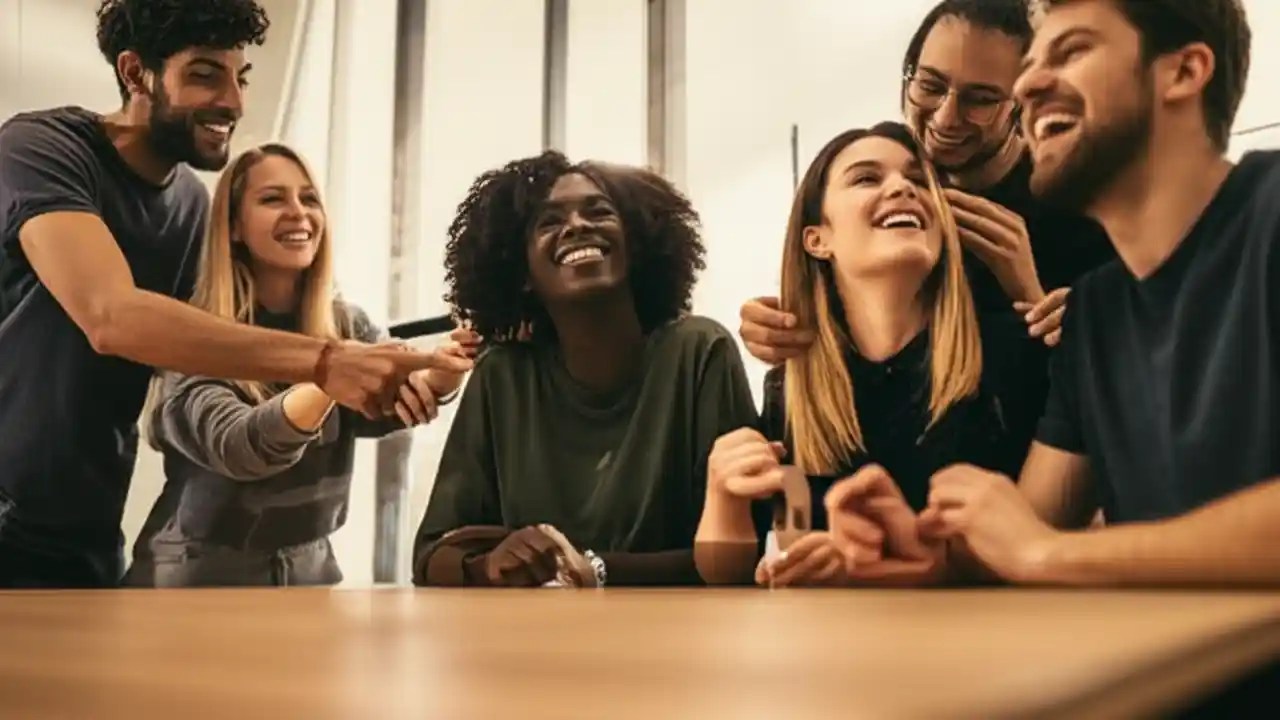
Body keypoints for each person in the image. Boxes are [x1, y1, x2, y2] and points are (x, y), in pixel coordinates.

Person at [0, 0, 468, 589]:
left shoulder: (192, 203)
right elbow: (110, 316)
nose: (233, 102)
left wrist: (427, 373)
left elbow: (200, 344)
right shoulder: (42, 148)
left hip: (87, 523)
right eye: (204, 74)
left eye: (239, 77)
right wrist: (326, 363)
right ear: (134, 72)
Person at [831, 0, 1280, 589]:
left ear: (1184, 72)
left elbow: (1036, 546)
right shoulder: (1095, 313)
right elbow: (1026, 527)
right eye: (1032, 64)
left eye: (1072, 53)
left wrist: (1047, 554)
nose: (1031, 84)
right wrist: (915, 547)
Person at [734, 0, 1118, 471]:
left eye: (980, 100)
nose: (944, 118)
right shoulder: (897, 182)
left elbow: (1121, 405)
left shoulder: (1087, 211)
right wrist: (788, 323)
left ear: (1022, 103)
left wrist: (1033, 298)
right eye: (930, 86)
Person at [695, 122, 1032, 588]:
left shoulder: (1013, 354)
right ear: (818, 240)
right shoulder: (792, 387)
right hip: (841, 648)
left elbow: (1048, 538)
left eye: (917, 180)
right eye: (867, 178)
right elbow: (741, 566)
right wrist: (723, 495)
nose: (902, 188)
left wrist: (867, 563)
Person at [123, 144, 476, 587]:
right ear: (233, 226)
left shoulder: (348, 324)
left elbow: (394, 398)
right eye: (273, 199)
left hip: (311, 573)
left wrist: (448, 367)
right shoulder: (198, 337)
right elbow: (241, 445)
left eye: (309, 199)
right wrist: (330, 375)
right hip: (194, 581)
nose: (299, 213)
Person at [411, 152, 759, 588]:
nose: (577, 226)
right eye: (549, 222)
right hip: (536, 645)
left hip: (680, 638)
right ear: (522, 274)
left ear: (636, 244)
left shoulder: (699, 352)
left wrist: (595, 570)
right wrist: (490, 566)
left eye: (600, 212)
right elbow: (432, 553)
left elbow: (747, 550)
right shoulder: (502, 376)